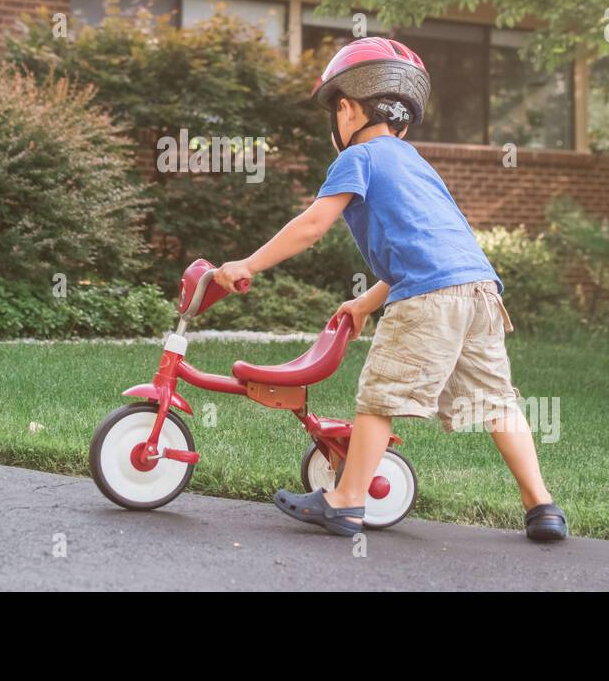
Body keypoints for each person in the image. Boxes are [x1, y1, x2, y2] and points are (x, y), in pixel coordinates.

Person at [214, 37, 567, 540]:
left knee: (378, 397)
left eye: (335, 112)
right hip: (481, 293)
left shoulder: (358, 159)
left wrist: (246, 264)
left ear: (348, 108)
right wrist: (364, 302)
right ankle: (543, 508)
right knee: (496, 403)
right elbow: (430, 252)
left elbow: (312, 226)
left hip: (430, 300)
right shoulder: (416, 164)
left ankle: (345, 500)